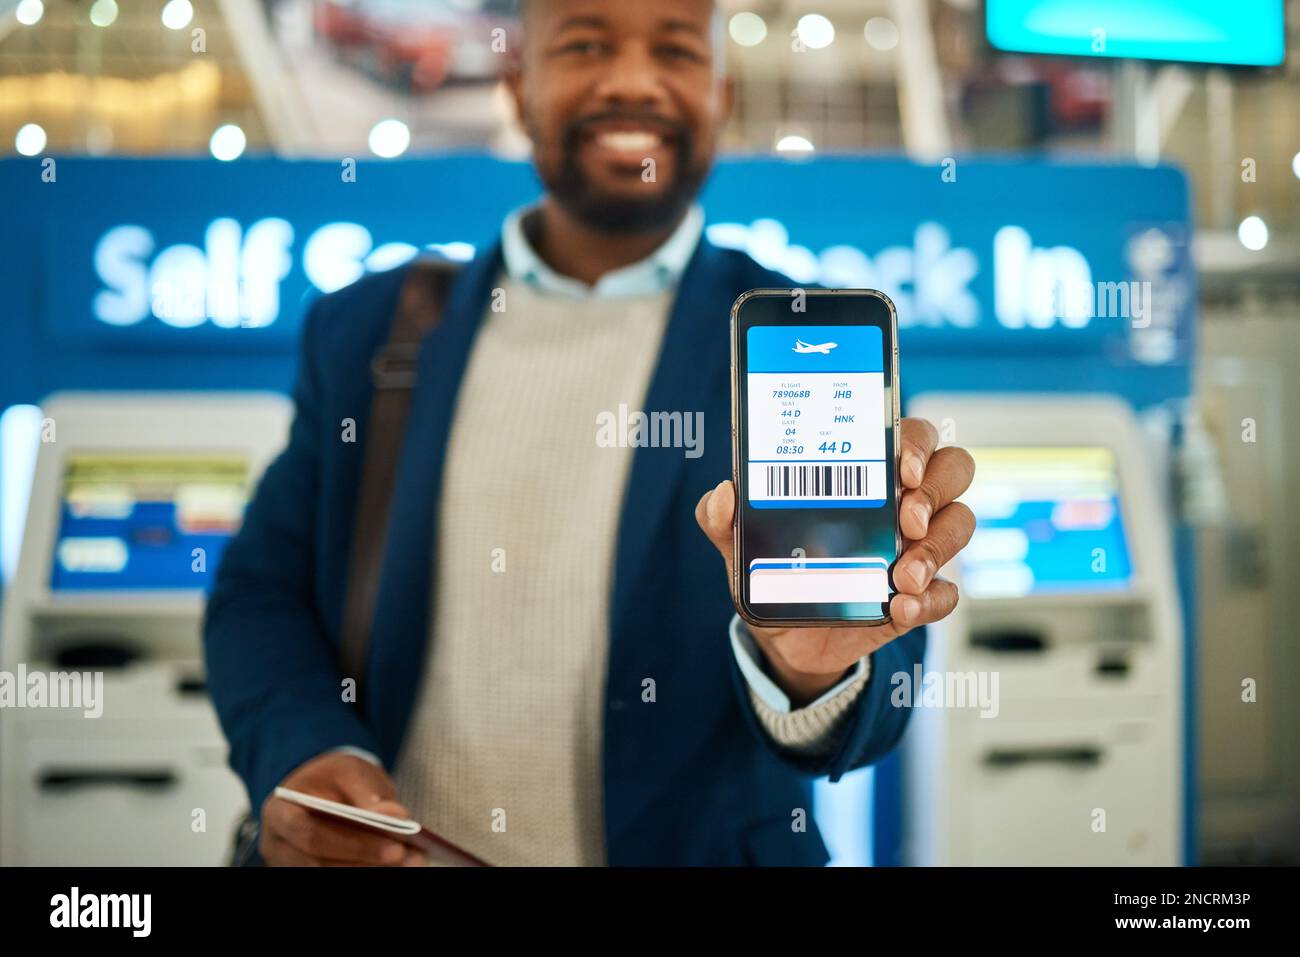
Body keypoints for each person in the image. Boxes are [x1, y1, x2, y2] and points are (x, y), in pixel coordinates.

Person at [203, 0, 976, 867]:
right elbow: (259, 592)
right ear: (518, 89)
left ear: (718, 97)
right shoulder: (374, 333)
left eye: (675, 50)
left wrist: (807, 672)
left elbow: (879, 674)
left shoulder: (799, 354)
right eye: (585, 43)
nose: (633, 80)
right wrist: (312, 751)